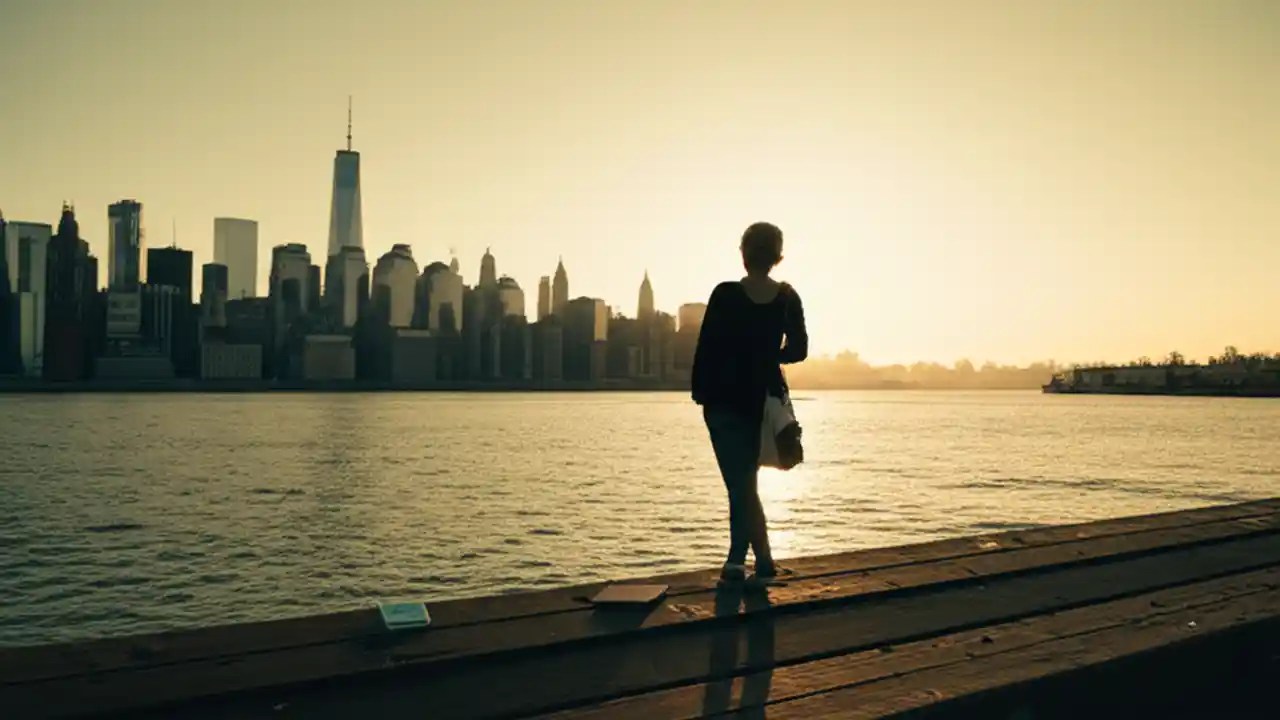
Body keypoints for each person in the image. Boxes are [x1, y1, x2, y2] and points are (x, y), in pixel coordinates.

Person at [691, 222, 808, 584]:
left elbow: (707, 347)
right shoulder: (788, 297)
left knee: (739, 485)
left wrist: (701, 392)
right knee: (745, 484)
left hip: (724, 399)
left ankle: (735, 562)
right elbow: (799, 351)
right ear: (778, 257)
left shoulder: (725, 294)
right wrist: (767, 354)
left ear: (743, 253)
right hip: (763, 396)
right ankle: (765, 561)